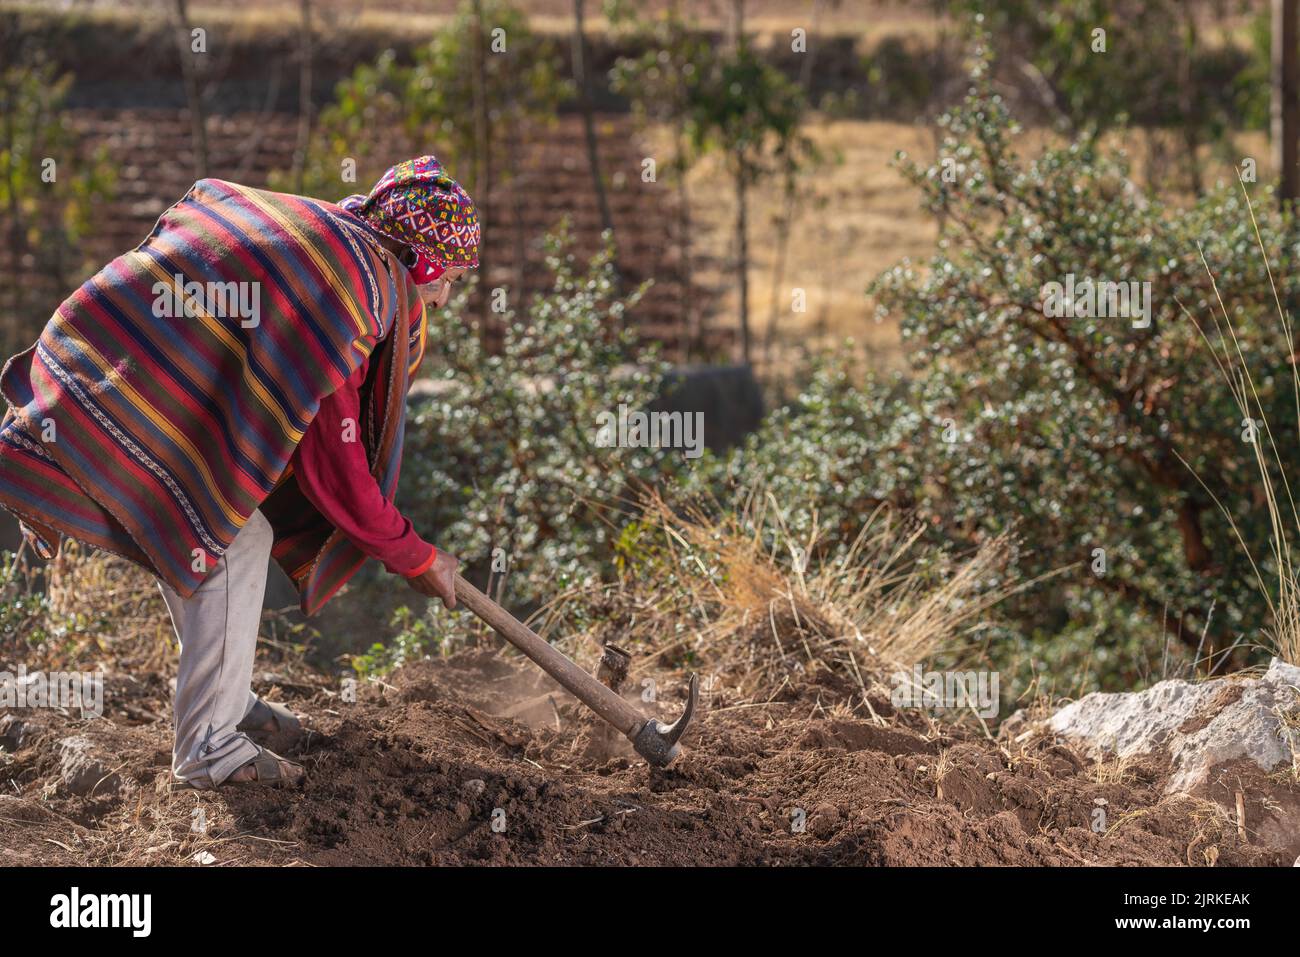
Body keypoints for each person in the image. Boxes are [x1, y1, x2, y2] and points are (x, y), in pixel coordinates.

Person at [0, 156, 476, 789]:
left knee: (214, 527)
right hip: (117, 394)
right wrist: (415, 556)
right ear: (421, 259)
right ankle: (208, 747)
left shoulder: (334, 244)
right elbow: (335, 466)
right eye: (448, 278)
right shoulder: (349, 293)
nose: (443, 297)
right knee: (229, 537)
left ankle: (227, 701)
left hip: (102, 372)